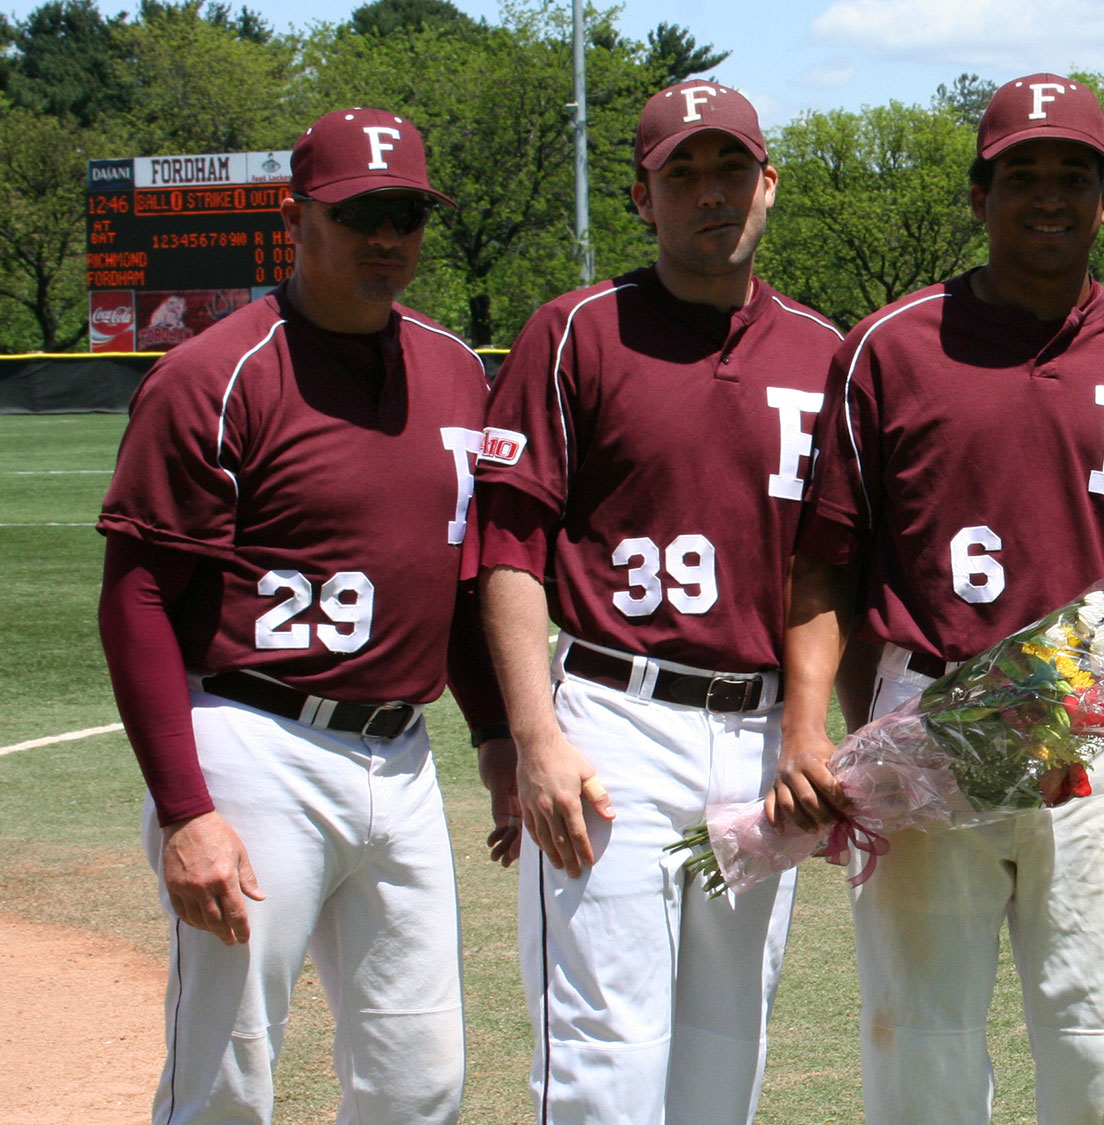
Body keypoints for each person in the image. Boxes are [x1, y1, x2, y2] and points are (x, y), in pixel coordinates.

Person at [772, 73, 1104, 1125]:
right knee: (920, 1047)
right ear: (977, 196)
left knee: (1098, 1047)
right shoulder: (890, 346)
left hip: (1090, 736)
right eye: (1020, 174)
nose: (1046, 195)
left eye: (1072, 175)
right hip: (927, 722)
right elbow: (824, 559)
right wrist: (808, 727)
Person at [96, 107, 509, 1124]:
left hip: (404, 760)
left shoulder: (456, 370)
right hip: (253, 745)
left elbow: (456, 585)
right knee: (227, 1072)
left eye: (405, 215)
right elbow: (137, 597)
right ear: (298, 216)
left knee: (420, 1080)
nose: (386, 239)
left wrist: (496, 740)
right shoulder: (211, 376)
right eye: (359, 212)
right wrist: (188, 809)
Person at [472, 80, 842, 1124]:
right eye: (681, 172)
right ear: (641, 196)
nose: (709, 192)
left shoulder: (824, 352)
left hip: (766, 733)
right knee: (604, 1052)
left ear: (767, 184)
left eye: (729, 168)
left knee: (728, 1046)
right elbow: (507, 548)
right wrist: (532, 738)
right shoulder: (574, 333)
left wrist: (815, 737)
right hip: (613, 723)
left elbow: (833, 566)